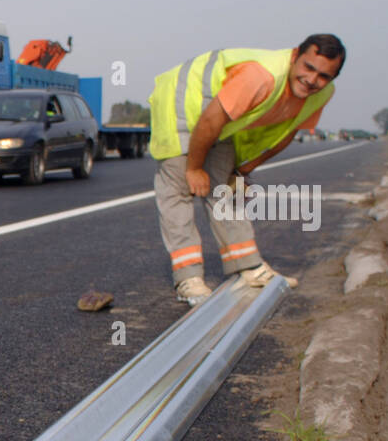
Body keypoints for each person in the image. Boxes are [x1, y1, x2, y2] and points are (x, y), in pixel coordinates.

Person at [148, 35, 345, 305]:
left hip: (222, 117)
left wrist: (242, 171)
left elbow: (287, 133)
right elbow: (209, 119)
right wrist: (194, 168)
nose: (312, 80)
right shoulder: (261, 76)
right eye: (308, 68)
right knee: (179, 187)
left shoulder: (320, 94)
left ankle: (250, 269)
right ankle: (188, 278)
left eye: (323, 76)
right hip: (184, 100)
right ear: (295, 54)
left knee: (226, 190)